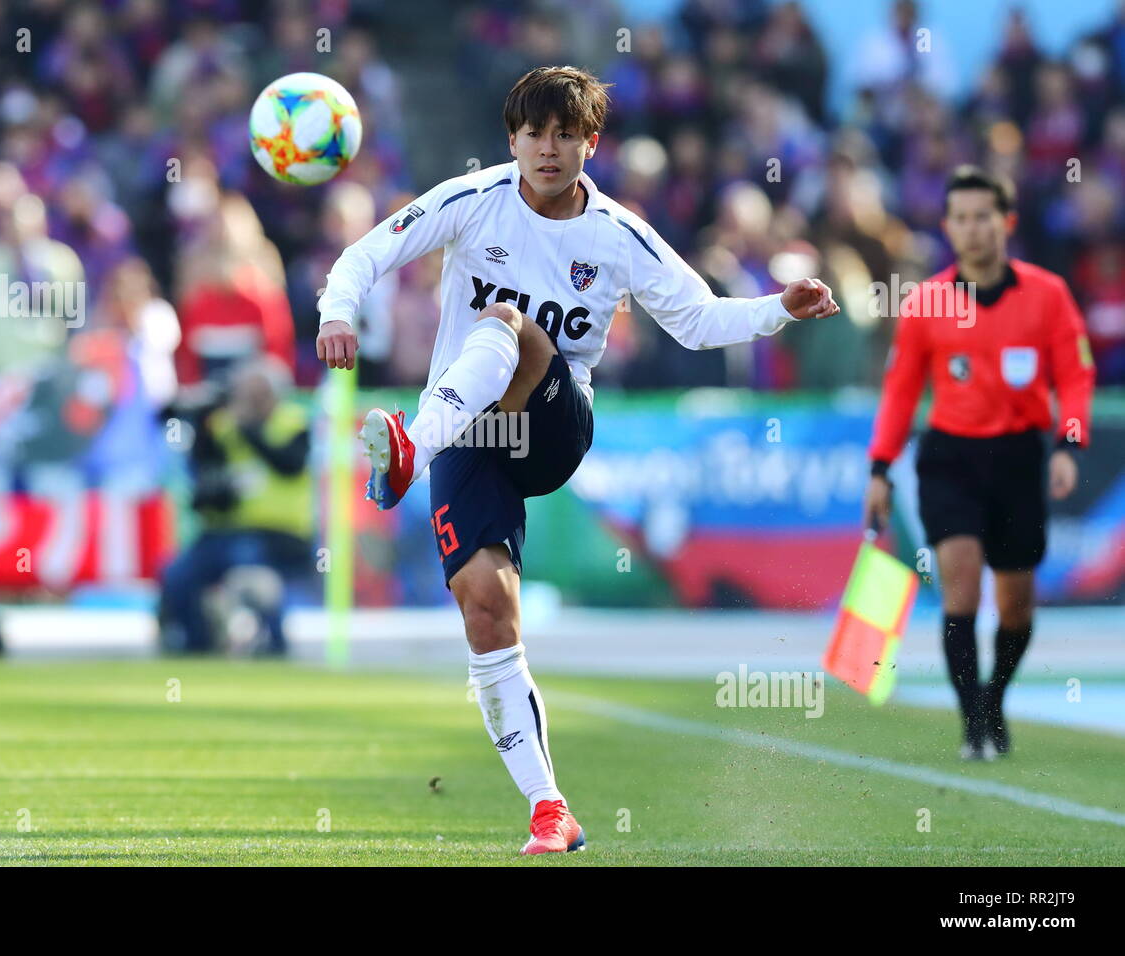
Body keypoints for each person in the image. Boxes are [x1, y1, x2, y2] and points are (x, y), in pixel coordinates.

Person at [316, 66, 839, 855]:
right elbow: (363, 256)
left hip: (550, 423)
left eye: (566, 134)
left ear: (592, 143)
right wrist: (335, 311)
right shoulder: (471, 199)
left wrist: (777, 308)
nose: (548, 149)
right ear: (512, 139)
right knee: (486, 608)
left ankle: (406, 458)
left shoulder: (617, 235)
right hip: (468, 437)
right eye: (534, 133)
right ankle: (548, 807)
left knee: (509, 324)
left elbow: (696, 319)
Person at [863, 166, 1096, 761]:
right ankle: (973, 726)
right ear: (947, 226)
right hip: (951, 458)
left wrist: (1069, 444)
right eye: (960, 218)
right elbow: (900, 392)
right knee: (961, 592)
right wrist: (881, 467)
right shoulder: (927, 302)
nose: (971, 229)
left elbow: (1075, 374)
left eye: (982, 217)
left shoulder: (1047, 295)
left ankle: (993, 700)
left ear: (1006, 222)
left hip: (1019, 458)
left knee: (1016, 604)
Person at [159, 357, 312, 655]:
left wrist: (246, 429)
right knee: (177, 573)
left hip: (280, 533)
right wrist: (202, 418)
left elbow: (288, 464)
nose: (248, 400)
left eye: (256, 393)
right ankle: (198, 644)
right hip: (227, 530)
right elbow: (205, 474)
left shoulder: (292, 422)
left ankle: (272, 641)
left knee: (248, 567)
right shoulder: (222, 426)